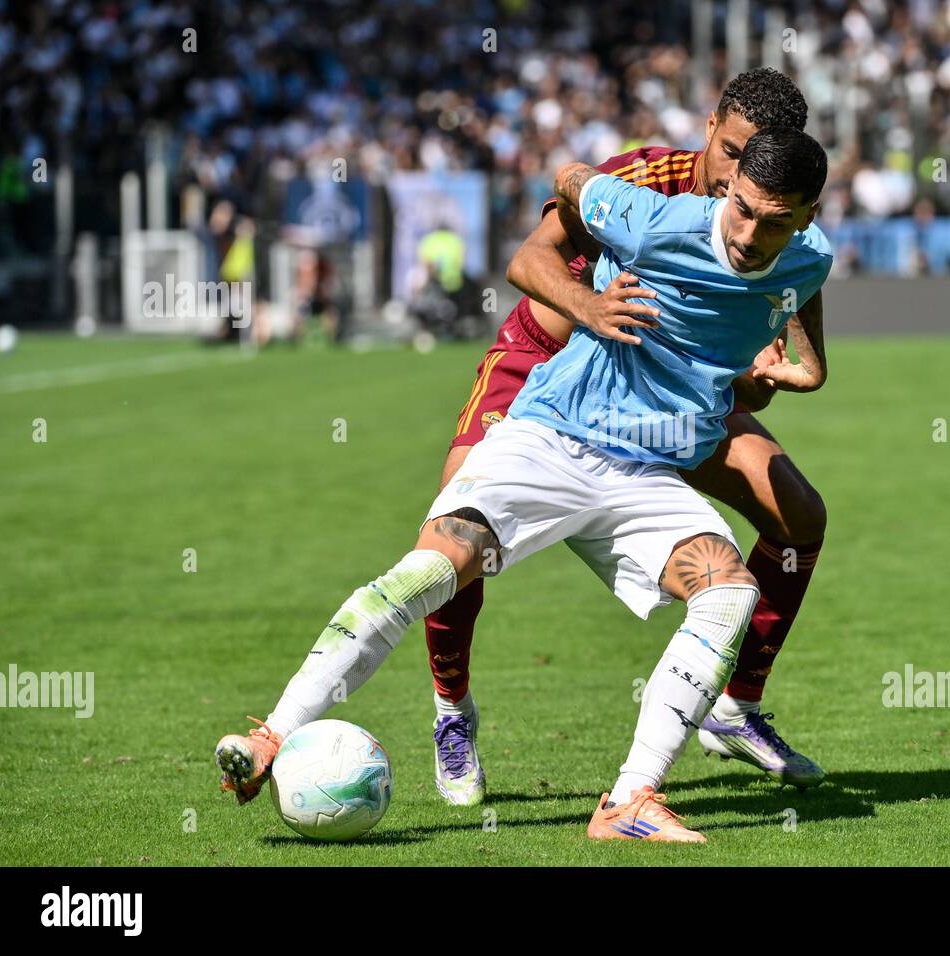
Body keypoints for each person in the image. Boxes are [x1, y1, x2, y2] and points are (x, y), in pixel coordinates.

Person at [216, 126, 832, 843]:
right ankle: (273, 734)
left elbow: (803, 284)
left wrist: (811, 365)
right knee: (432, 569)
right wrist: (585, 299)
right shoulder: (653, 219)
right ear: (729, 190)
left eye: (775, 221)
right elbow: (570, 179)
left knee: (728, 593)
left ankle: (628, 802)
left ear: (807, 217)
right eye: (743, 210)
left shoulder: (809, 255)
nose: (752, 234)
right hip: (550, 437)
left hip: (642, 474)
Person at [428, 68, 830, 806]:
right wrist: (588, 306)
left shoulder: (762, 216)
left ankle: (735, 706)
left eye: (757, 166)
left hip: (663, 392)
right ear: (710, 127)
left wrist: (770, 369)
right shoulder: (643, 175)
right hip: (545, 364)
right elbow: (528, 261)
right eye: (732, 152)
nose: (739, 179)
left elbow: (792, 285)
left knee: (799, 517)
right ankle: (452, 711)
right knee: (458, 538)